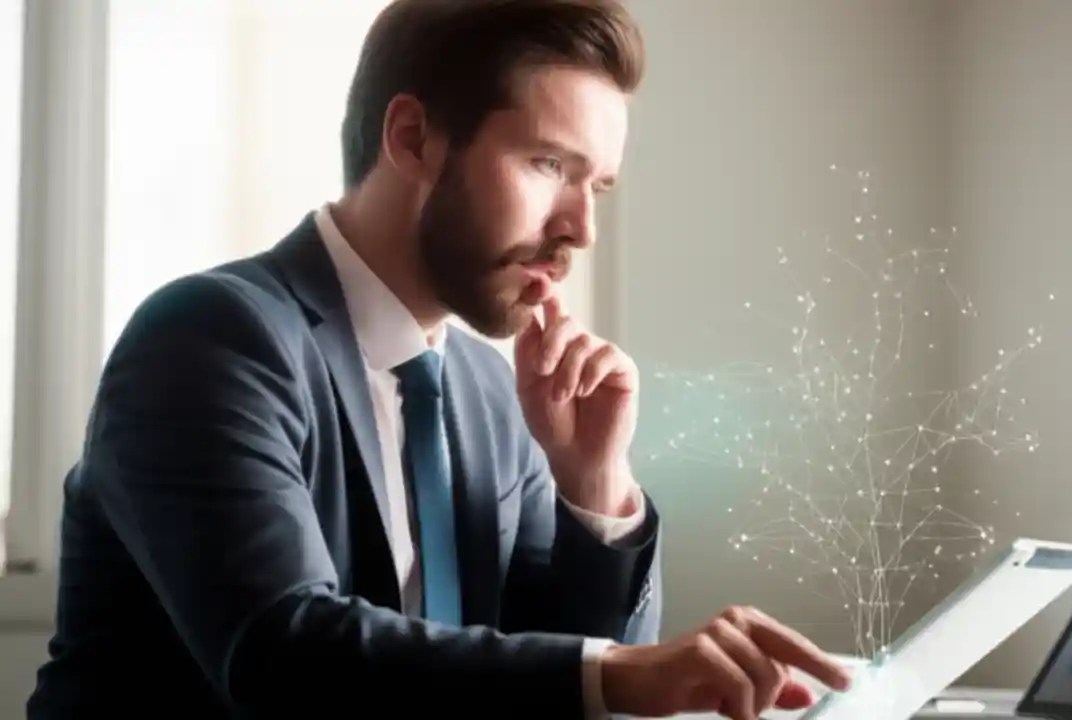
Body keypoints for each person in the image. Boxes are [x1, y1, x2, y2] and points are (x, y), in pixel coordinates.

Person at [26, 1, 853, 718]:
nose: (579, 230)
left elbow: (564, 681)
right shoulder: (210, 337)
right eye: (547, 164)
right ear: (413, 137)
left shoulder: (490, 390)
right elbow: (280, 657)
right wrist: (620, 675)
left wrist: (594, 487)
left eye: (594, 187)